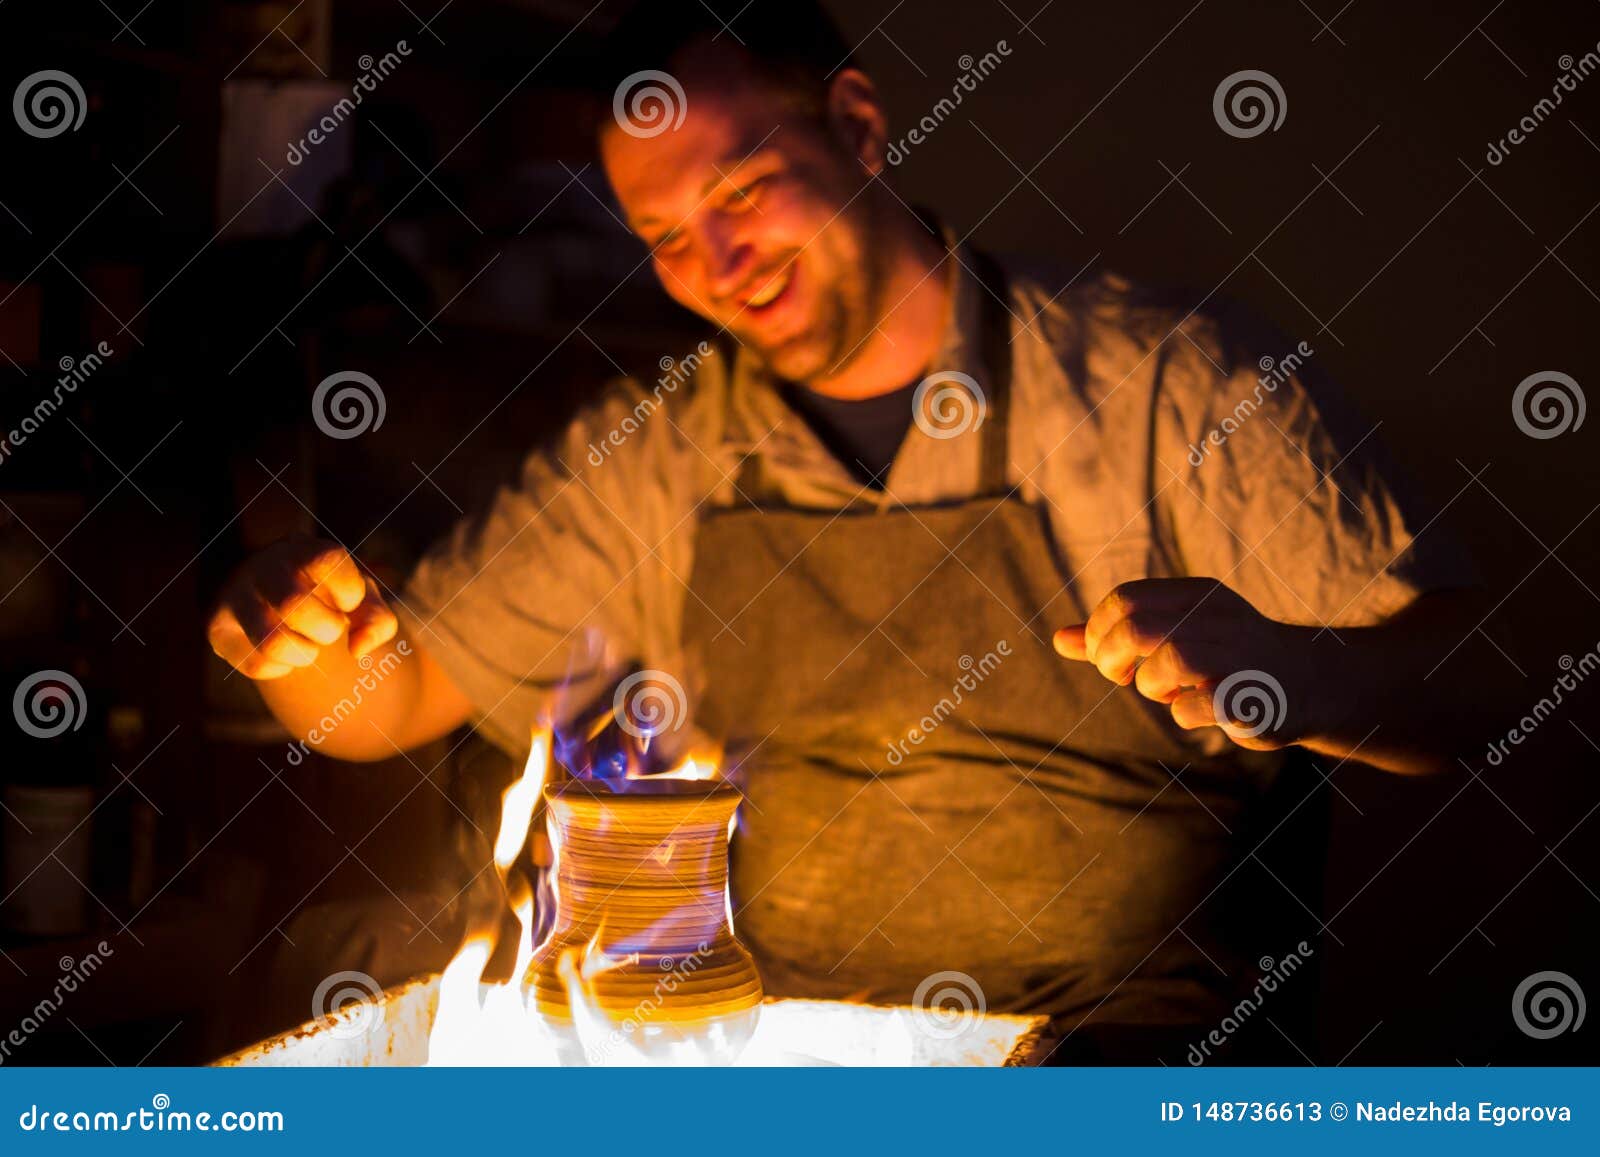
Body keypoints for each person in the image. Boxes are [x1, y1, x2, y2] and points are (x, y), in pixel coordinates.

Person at [208, 1, 1509, 1054]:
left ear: (859, 123)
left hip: (1100, 1057)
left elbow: (1479, 689)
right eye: (664, 236)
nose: (718, 265)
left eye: (744, 191)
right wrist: (309, 642)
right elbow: (397, 694)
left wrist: (1299, 666)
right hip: (781, 1057)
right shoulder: (660, 450)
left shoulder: (1177, 384)